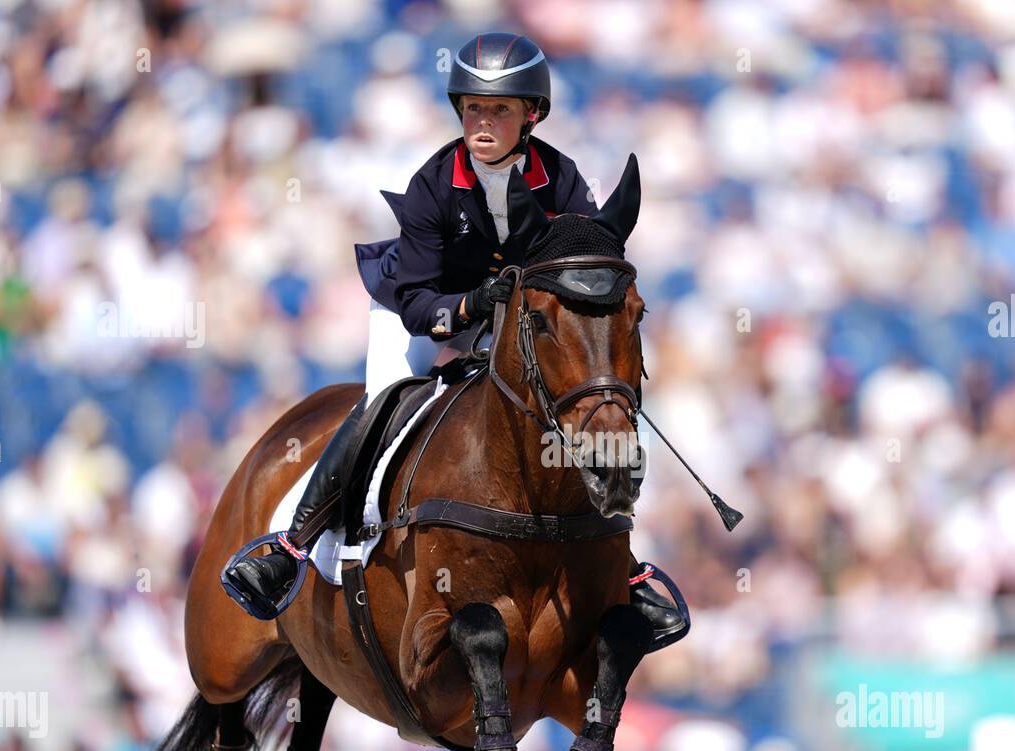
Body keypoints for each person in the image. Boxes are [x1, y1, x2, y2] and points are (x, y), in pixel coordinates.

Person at [223, 32, 685, 648]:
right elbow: (415, 300)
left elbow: (579, 268)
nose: (483, 122)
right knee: (385, 397)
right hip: (423, 310)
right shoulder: (433, 185)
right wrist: (470, 306)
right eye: (473, 109)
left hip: (511, 323)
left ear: (532, 115)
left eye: (498, 109)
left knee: (579, 414)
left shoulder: (564, 179)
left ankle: (620, 568)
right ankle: (294, 542)